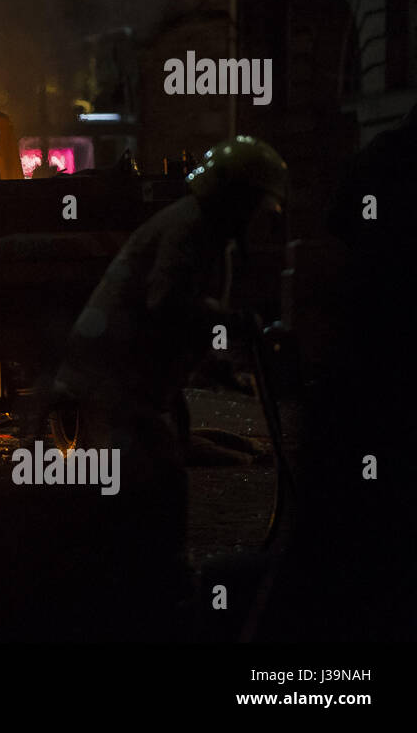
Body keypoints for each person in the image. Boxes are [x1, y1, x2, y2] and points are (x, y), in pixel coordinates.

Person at [50, 135, 288, 599]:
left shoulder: (203, 229)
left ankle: (146, 581)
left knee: (161, 467)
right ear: (236, 197)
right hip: (112, 381)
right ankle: (145, 590)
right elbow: (167, 304)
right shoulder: (192, 230)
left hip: (128, 377)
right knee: (152, 484)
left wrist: (220, 369)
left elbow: (177, 323)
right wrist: (231, 320)